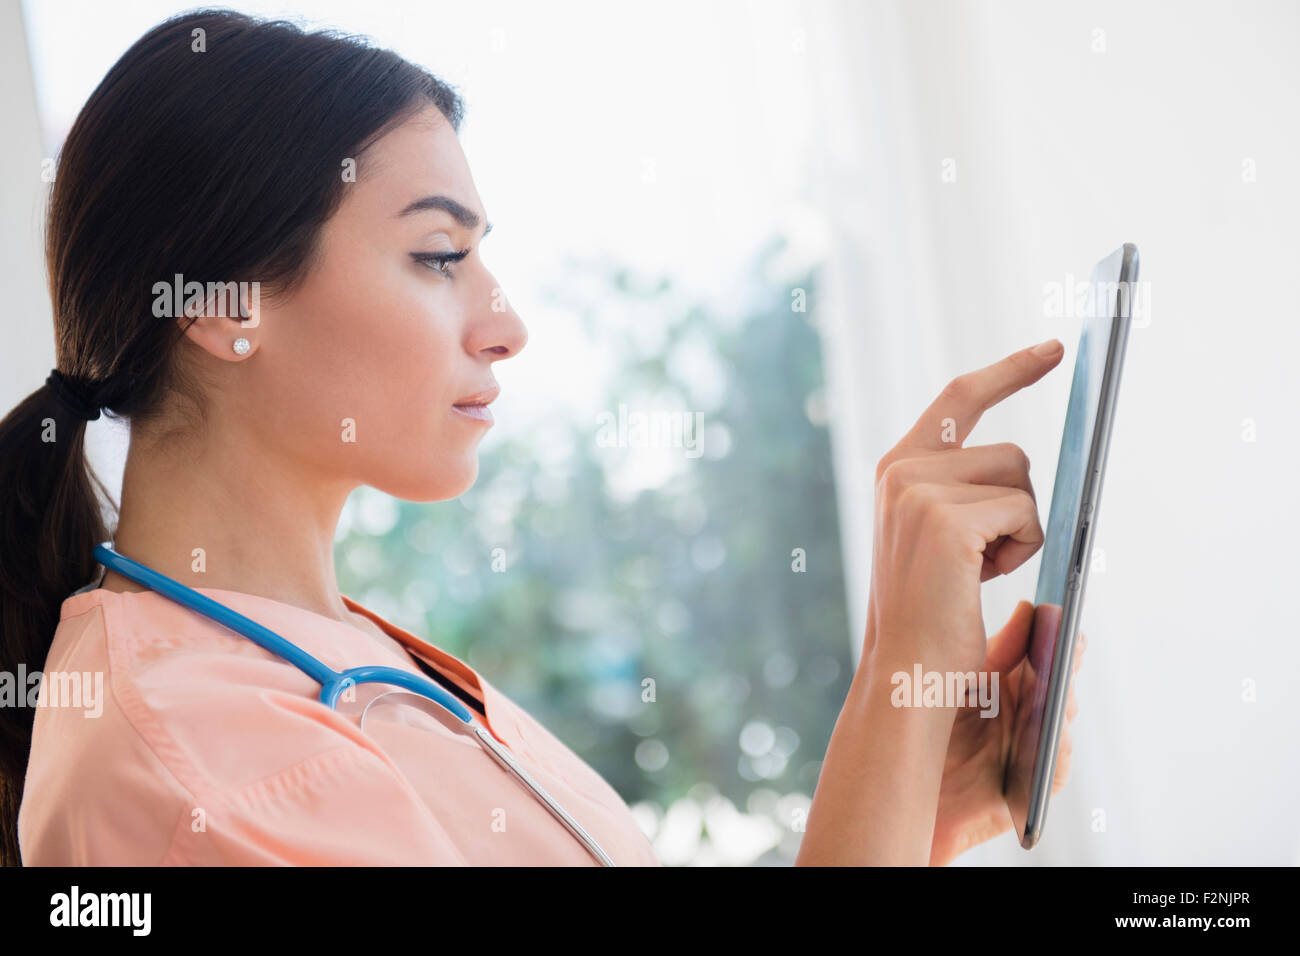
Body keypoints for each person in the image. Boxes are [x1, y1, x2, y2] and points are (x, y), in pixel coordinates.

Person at [0, 9, 1082, 867]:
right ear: (225, 302)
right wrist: (894, 670)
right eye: (436, 255)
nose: (506, 325)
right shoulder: (196, 757)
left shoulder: (341, 659)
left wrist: (914, 802)